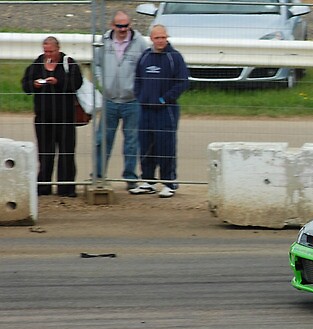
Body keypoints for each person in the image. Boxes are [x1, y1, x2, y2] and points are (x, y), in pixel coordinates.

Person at [130, 24, 189, 198]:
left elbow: (182, 82)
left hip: (166, 111)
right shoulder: (145, 56)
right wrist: (141, 97)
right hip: (145, 110)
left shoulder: (174, 57)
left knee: (166, 146)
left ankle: (169, 183)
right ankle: (148, 181)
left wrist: (165, 99)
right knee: (146, 145)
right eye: (157, 38)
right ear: (151, 39)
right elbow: (137, 80)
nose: (161, 41)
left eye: (163, 37)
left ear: (167, 37)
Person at [21, 36, 83, 197]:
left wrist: (58, 82)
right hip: (43, 118)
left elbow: (77, 83)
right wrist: (34, 84)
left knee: (66, 154)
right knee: (45, 154)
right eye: (46, 51)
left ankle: (66, 188)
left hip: (65, 118)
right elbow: (25, 84)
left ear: (58, 49)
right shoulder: (37, 63)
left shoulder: (69, 63)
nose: (48, 54)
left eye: (51, 51)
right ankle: (43, 187)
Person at [95, 10, 148, 190]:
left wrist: (138, 89)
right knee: (103, 140)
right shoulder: (103, 41)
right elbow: (96, 64)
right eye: (119, 26)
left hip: (132, 101)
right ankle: (99, 176)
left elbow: (145, 68)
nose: (123, 29)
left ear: (130, 25)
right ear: (112, 26)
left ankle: (131, 178)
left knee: (132, 141)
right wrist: (104, 84)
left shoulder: (140, 43)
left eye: (126, 26)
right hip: (109, 100)